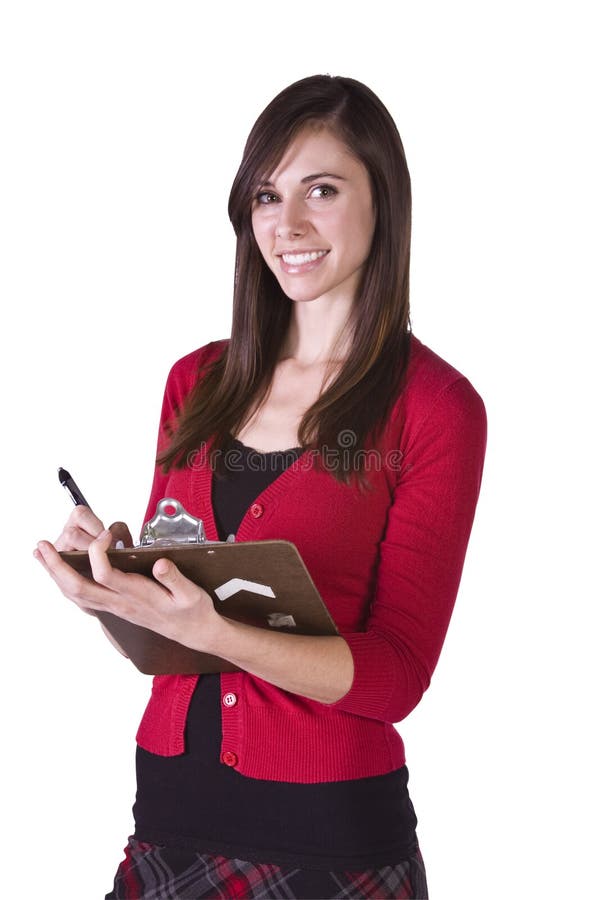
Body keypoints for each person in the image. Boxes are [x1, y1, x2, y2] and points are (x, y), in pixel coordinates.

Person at [35, 74, 487, 900]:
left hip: (330, 846)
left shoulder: (435, 407)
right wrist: (112, 591)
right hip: (169, 816)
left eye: (323, 189)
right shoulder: (196, 382)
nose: (291, 226)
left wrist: (215, 630)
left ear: (382, 200)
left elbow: (398, 676)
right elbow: (170, 646)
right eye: (268, 196)